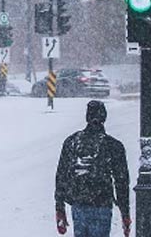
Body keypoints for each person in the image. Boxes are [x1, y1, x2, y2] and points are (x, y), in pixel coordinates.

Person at [55, 100, 131, 237]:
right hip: (102, 203)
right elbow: (121, 181)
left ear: (87, 117)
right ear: (104, 118)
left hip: (79, 203)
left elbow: (61, 176)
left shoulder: (72, 142)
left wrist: (60, 208)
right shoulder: (113, 145)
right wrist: (125, 213)